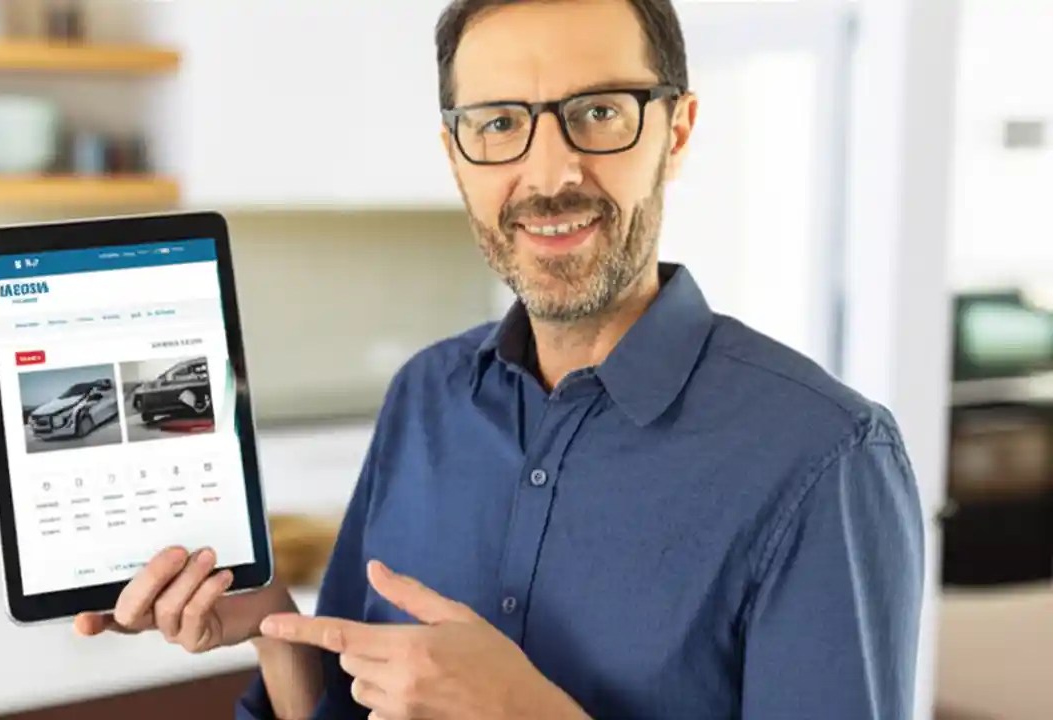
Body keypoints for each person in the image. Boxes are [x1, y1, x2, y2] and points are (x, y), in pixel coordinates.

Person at [75, 0, 926, 717]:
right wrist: (265, 620)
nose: (549, 173)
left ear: (677, 131)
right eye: (498, 124)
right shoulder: (427, 395)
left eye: (600, 112)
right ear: (455, 156)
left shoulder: (826, 458)